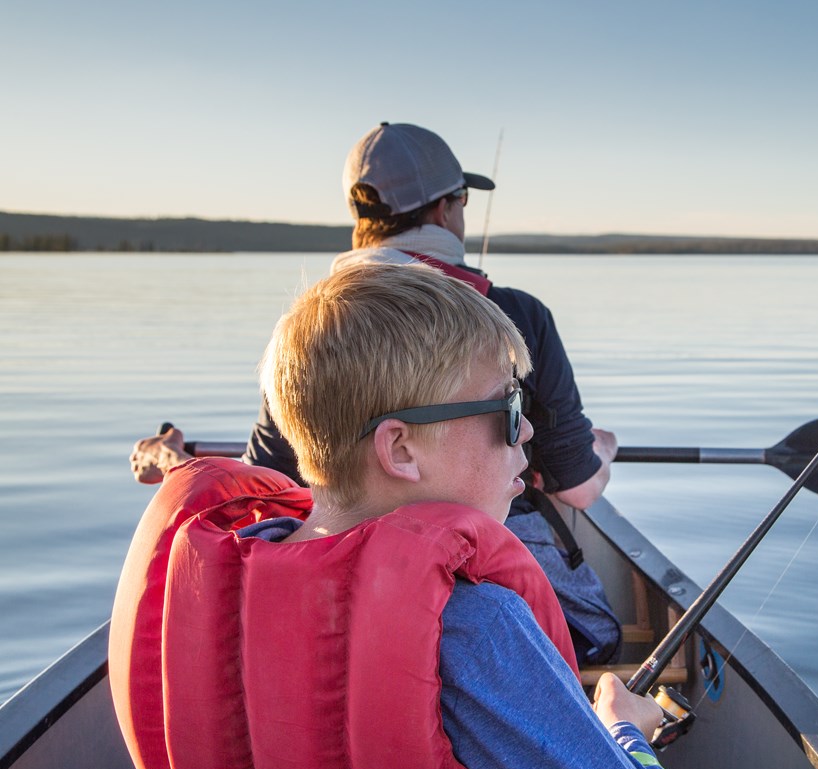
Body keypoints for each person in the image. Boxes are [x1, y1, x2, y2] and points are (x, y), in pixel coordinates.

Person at [109, 262, 684, 769]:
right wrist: (623, 732)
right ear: (401, 449)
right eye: (507, 410)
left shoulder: (205, 587)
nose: (529, 429)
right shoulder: (474, 626)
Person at [130, 122, 622, 664]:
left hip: (340, 594)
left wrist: (177, 463)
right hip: (502, 579)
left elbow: (267, 482)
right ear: (445, 210)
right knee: (596, 632)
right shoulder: (519, 316)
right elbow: (577, 489)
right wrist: (600, 452)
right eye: (461, 199)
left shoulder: (305, 332)